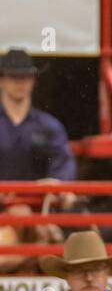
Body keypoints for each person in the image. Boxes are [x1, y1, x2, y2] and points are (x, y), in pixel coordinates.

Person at [0, 48, 76, 274]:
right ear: (2, 80)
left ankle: (30, 258)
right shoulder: (49, 126)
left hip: (41, 213)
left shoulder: (49, 127)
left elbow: (63, 170)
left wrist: (56, 184)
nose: (19, 83)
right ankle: (32, 259)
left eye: (25, 77)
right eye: (13, 77)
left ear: (33, 81)